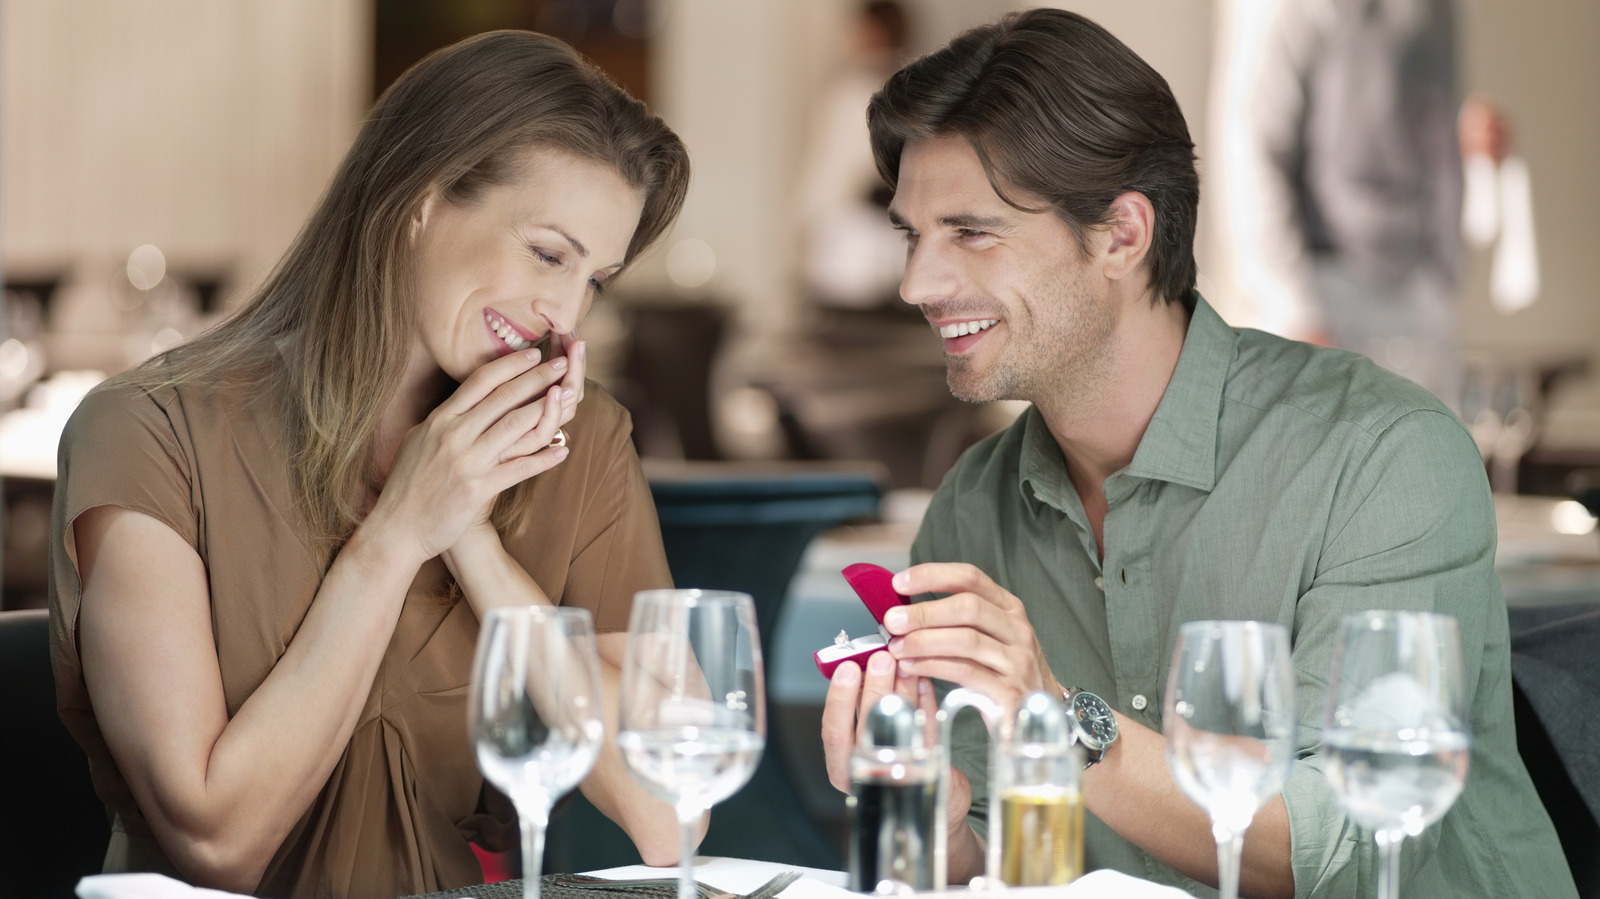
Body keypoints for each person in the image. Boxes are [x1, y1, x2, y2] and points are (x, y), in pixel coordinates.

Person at [817, 9, 1575, 898]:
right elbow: (1009, 854)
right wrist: (939, 820)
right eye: (912, 235)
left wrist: (1060, 723)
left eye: (971, 231)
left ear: (1122, 234)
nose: (917, 283)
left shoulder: (1382, 457)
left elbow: (1339, 846)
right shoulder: (972, 508)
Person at [48, 31, 693, 899]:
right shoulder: (147, 431)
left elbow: (670, 811)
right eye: (548, 254)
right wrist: (397, 534)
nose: (565, 314)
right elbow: (216, 844)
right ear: (419, 200)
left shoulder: (579, 444)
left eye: (596, 281)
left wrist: (471, 535)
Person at [1221, 0, 1468, 405]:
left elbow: (1442, 125)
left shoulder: (1440, 10)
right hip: (1324, 290)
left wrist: (1442, 276)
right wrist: (1295, 310)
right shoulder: (1283, 10)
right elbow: (1254, 149)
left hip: (1417, 296)